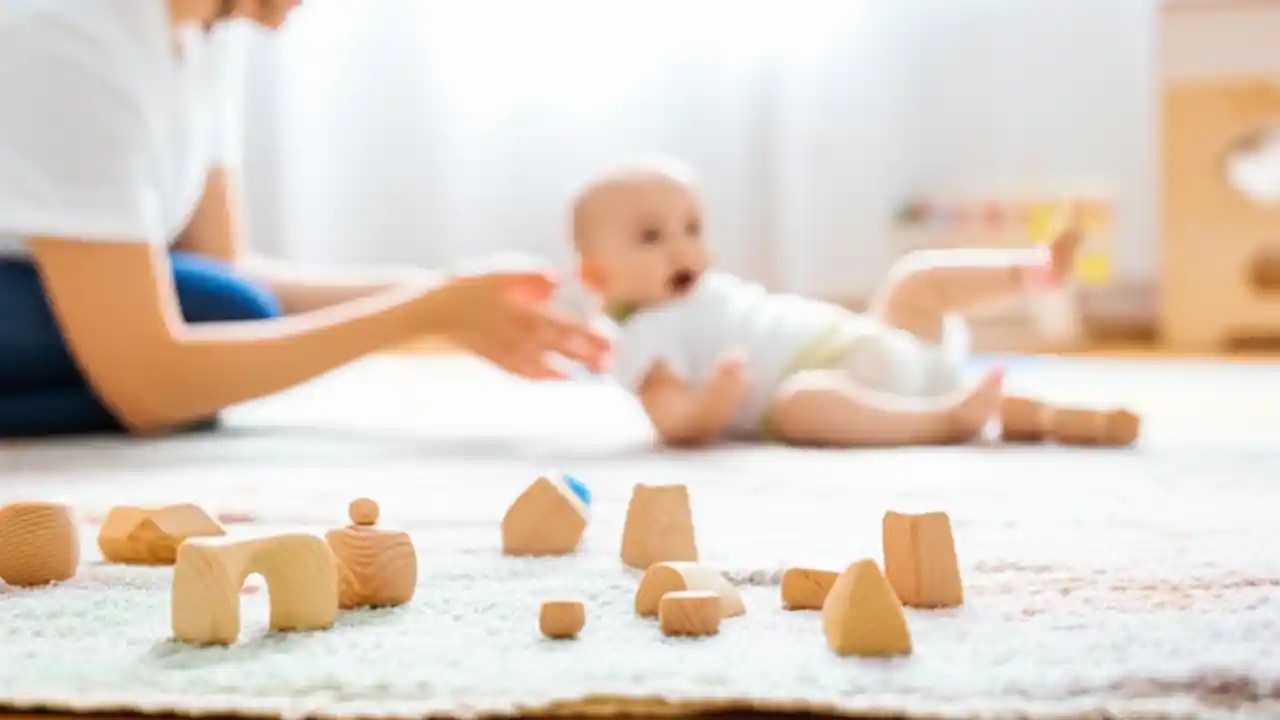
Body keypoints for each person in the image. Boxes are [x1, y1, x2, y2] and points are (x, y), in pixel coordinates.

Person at [0, 0, 609, 437]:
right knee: (224, 320)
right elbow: (150, 390)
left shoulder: (206, 32)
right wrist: (423, 314)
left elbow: (225, 268)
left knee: (226, 309)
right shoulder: (70, 37)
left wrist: (455, 297)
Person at [572, 161, 1082, 447]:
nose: (683, 247)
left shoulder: (702, 290)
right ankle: (940, 421)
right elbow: (672, 418)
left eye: (692, 228)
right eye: (650, 237)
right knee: (800, 405)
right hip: (844, 387)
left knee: (915, 281)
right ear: (598, 274)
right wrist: (711, 406)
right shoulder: (640, 335)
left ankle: (1034, 271)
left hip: (872, 341)